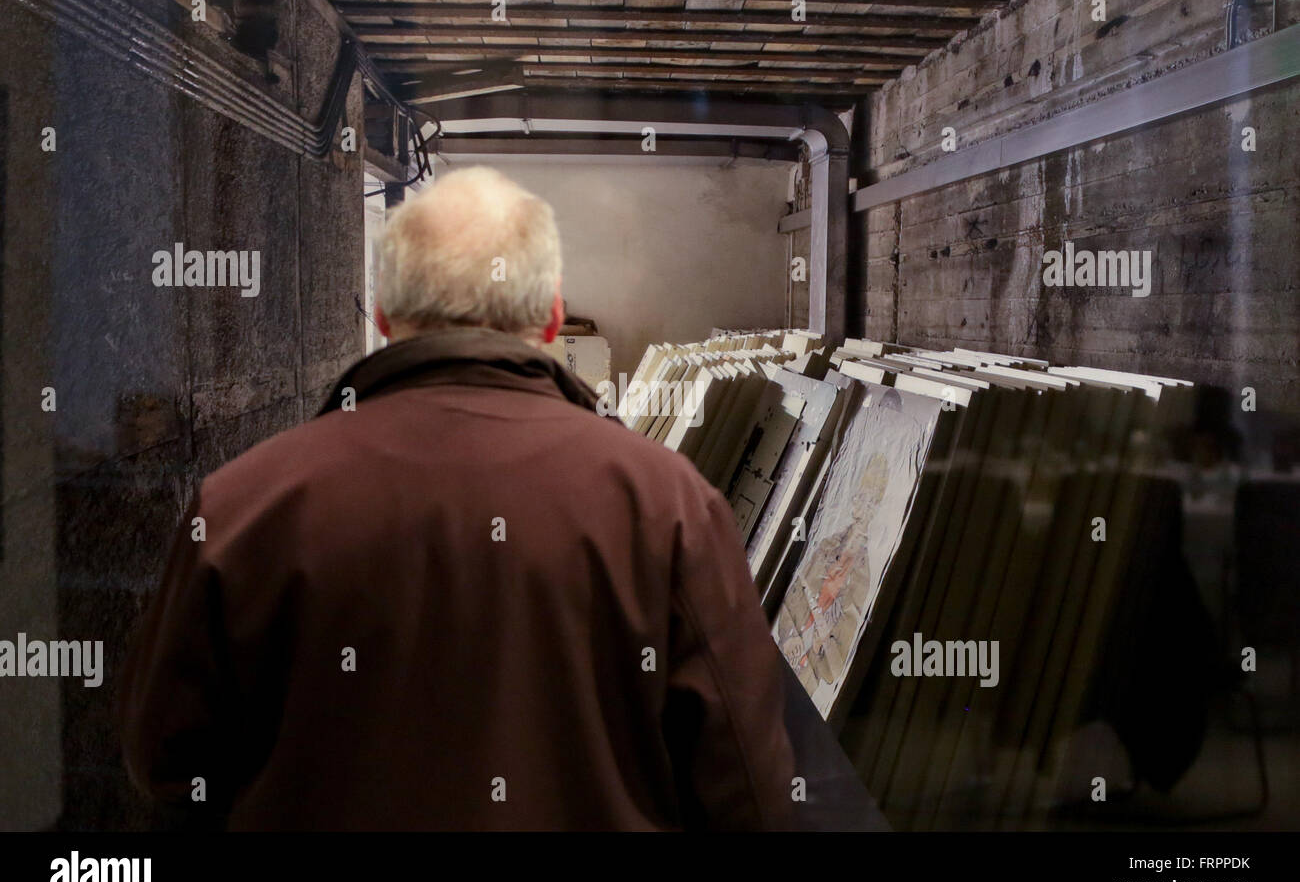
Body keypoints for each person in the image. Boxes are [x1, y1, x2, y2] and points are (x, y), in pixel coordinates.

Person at [118, 166, 876, 831]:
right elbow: (753, 794)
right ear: (551, 314)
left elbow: (170, 767)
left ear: (382, 315)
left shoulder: (240, 507)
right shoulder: (671, 505)